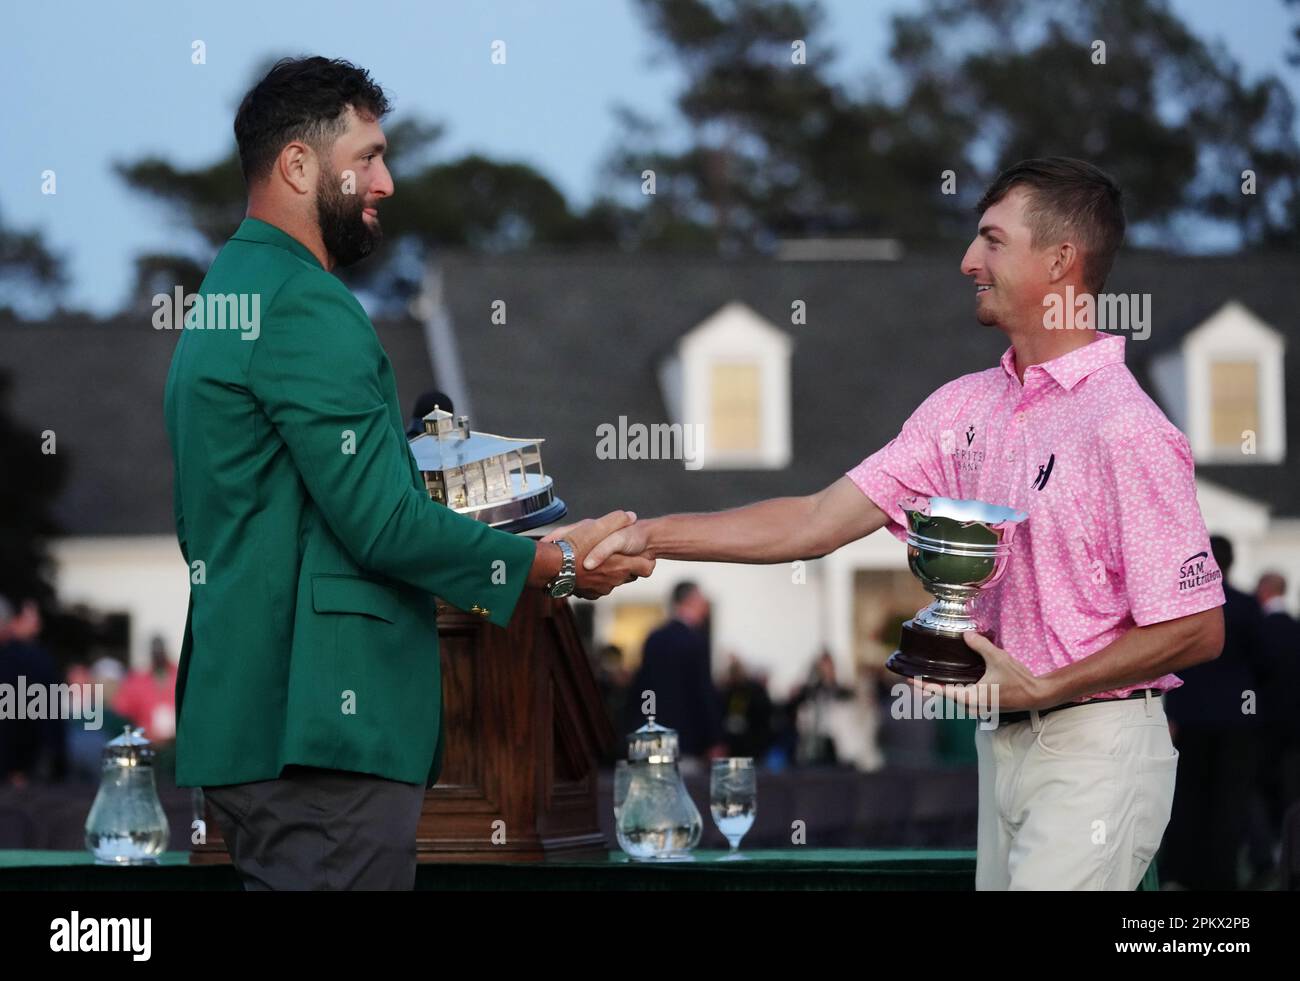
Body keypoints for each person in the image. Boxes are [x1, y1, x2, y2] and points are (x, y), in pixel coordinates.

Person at [570, 157, 1226, 890]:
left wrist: (1045, 687)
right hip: (1001, 746)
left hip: (1097, 747)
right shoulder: (961, 408)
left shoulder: (1127, 427)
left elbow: (1197, 627)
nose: (967, 260)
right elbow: (814, 521)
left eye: (993, 240)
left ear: (1062, 260)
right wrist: (648, 535)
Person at [163, 56, 652, 891]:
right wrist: (555, 565)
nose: (385, 181)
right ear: (297, 164)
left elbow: (312, 512)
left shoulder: (226, 294)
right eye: (368, 155)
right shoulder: (304, 304)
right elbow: (382, 523)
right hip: (321, 733)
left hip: (259, 721)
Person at [1162, 537, 1267, 889]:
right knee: (1229, 803)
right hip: (1236, 720)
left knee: (1187, 799)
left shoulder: (1188, 605)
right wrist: (1250, 709)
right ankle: (1219, 877)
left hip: (1190, 717)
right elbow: (1259, 665)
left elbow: (1175, 663)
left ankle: (1181, 873)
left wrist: (1173, 712)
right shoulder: (1247, 604)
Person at [621, 582, 725, 765]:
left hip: (652, 734)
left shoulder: (654, 637)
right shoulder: (695, 640)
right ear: (691, 600)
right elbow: (702, 690)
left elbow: (643, 688)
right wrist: (714, 739)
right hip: (685, 738)